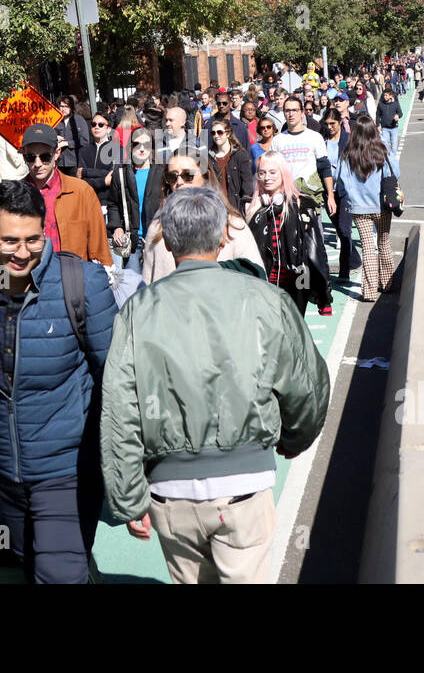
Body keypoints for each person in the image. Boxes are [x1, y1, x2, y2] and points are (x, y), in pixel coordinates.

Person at [101, 187, 329, 583]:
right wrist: (292, 438)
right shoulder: (264, 299)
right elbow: (305, 384)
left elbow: (120, 408)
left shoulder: (138, 311)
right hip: (244, 484)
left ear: (168, 241)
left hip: (170, 491)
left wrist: (128, 498)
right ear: (224, 235)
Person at [0, 180, 118, 583]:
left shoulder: (83, 283)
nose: (23, 253)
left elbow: (116, 379)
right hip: (4, 470)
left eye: (33, 240)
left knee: (58, 574)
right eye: (10, 241)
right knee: (27, 562)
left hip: (68, 467)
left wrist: (129, 470)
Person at [141, 154, 262, 284]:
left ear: (206, 175)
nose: (179, 182)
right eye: (172, 177)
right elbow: (147, 283)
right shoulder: (158, 226)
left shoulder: (233, 225)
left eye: (188, 175)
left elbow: (256, 279)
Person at [245, 151, 332, 317]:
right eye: (262, 173)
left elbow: (316, 250)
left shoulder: (301, 205)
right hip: (264, 283)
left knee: (294, 332)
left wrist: (324, 296)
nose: (266, 178)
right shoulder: (253, 208)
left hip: (297, 282)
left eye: (272, 172)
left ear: (283, 174)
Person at [21, 123, 112, 265]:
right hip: (30, 279)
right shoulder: (15, 195)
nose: (37, 164)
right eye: (31, 157)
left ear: (56, 153)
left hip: (72, 279)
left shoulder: (81, 191)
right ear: (23, 155)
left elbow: (99, 247)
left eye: (45, 157)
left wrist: (104, 277)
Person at [338, 116, 401, 301]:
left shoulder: (348, 153)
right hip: (381, 205)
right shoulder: (382, 149)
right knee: (383, 242)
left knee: (367, 247)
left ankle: (370, 291)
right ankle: (387, 282)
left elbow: (341, 179)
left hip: (359, 208)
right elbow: (395, 173)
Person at [106, 126, 162, 273]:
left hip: (158, 240)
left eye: (147, 145)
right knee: (134, 286)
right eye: (137, 144)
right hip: (133, 242)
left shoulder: (162, 172)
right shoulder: (121, 173)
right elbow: (112, 204)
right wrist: (117, 227)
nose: (142, 149)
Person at [270, 96, 336, 220]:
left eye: (295, 110)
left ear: (302, 112)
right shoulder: (277, 140)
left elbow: (325, 168)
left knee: (313, 238)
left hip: (310, 197)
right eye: (287, 110)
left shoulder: (315, 137)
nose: (291, 114)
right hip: (286, 198)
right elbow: (273, 171)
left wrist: (331, 196)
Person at [322, 107, 361, 283]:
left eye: (333, 123)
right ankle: (355, 259)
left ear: (339, 123)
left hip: (345, 190)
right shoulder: (322, 141)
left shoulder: (347, 140)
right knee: (338, 227)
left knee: (345, 230)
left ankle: (344, 271)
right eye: (327, 124)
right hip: (328, 191)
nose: (330, 127)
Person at [207, 115, 255, 213]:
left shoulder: (240, 155)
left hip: (235, 208)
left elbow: (247, 183)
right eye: (213, 133)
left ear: (228, 133)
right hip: (215, 209)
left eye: (220, 132)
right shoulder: (208, 157)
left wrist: (245, 204)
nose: (216, 136)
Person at [55, 96, 89, 178]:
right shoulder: (56, 121)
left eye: (66, 106)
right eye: (61, 106)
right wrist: (55, 138)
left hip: (74, 162)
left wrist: (67, 143)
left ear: (71, 107)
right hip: (59, 162)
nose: (63, 109)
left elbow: (85, 141)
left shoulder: (79, 120)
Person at [377, 87, 404, 152]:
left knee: (394, 146)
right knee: (385, 145)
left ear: (390, 96)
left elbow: (400, 113)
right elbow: (377, 115)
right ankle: (387, 159)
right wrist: (378, 125)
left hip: (394, 127)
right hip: (384, 128)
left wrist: (398, 115)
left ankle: (393, 160)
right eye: (384, 95)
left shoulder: (395, 103)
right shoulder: (381, 104)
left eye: (386, 95)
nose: (385, 97)